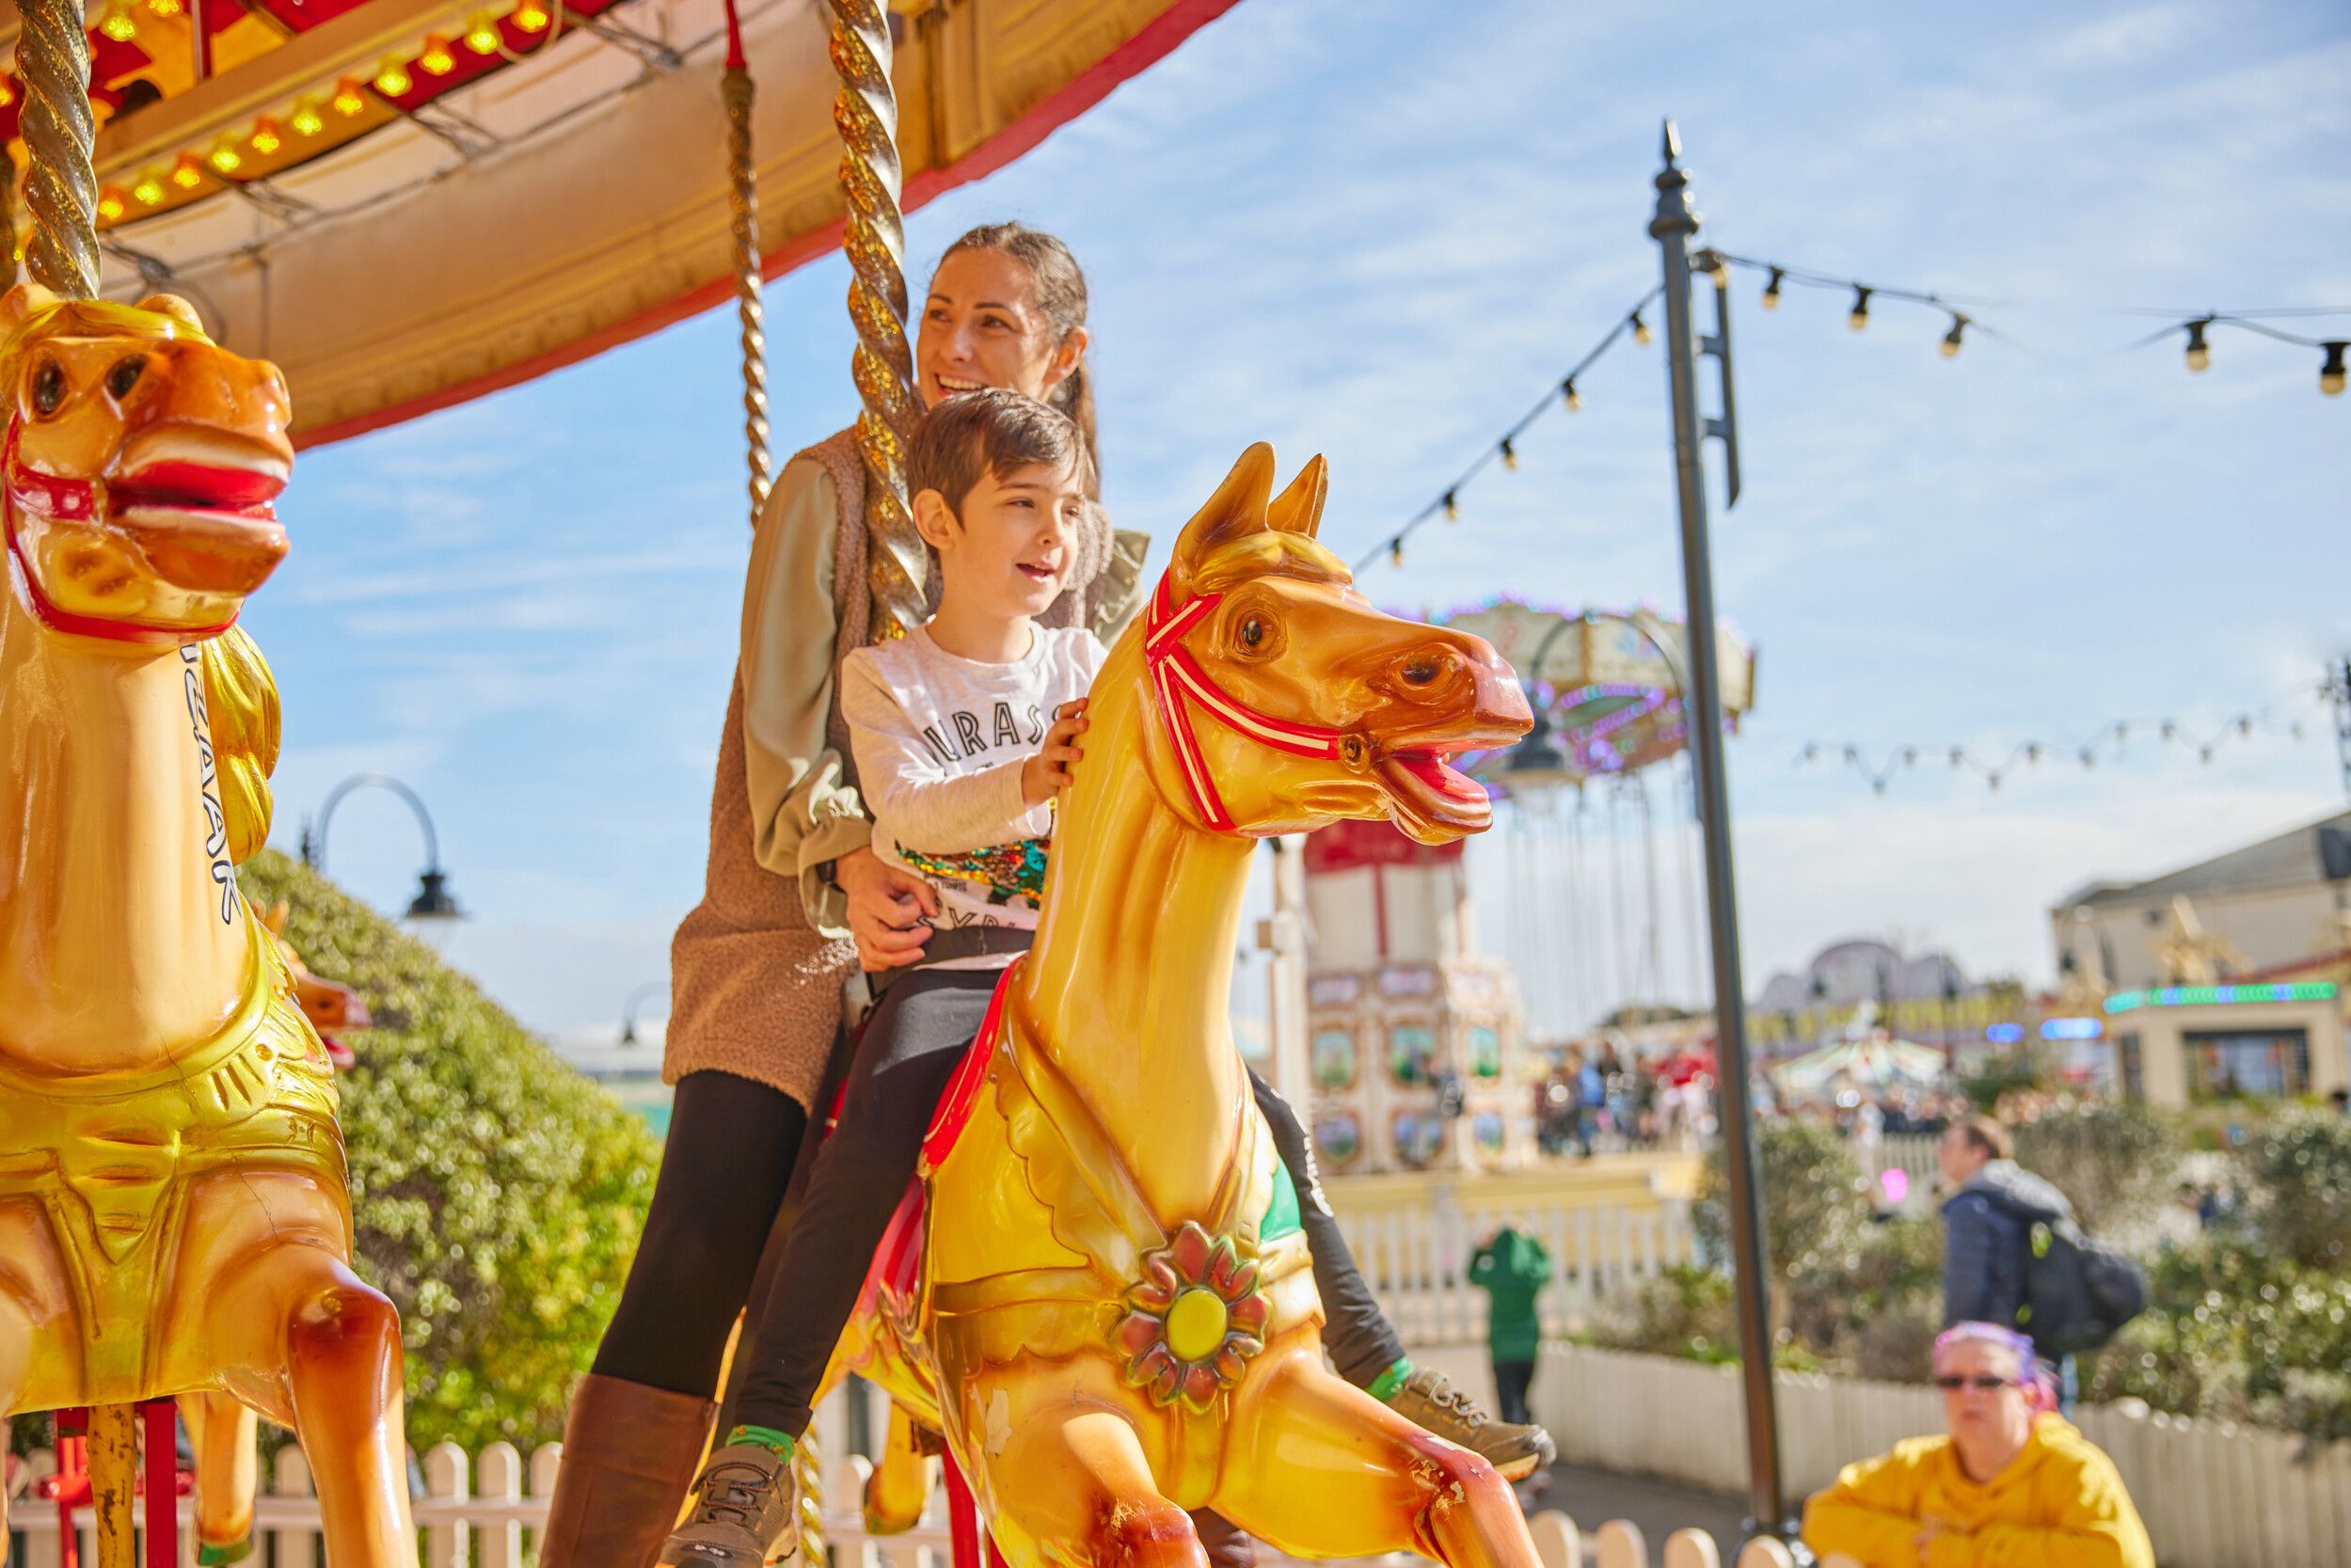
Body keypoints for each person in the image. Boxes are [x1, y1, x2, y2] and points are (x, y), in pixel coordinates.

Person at [537, 223, 1549, 1566]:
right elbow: (795, 759)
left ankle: (1358, 1365)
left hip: (1054, 948)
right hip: (817, 917)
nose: (950, 347)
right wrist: (866, 853)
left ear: (1064, 357)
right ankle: (748, 1451)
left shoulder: (1088, 557)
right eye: (937, 316)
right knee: (734, 1205)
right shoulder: (836, 501)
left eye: (992, 326)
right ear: (944, 521)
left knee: (1256, 1120)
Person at [1801, 1323, 2153, 1568]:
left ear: (2028, 1395)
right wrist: (1918, 1547)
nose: (1968, 1395)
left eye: (1988, 1381)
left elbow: (2115, 1558)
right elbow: (1822, 1517)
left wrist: (1956, 1552)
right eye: (1953, 1381)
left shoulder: (2075, 1469)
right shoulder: (1917, 1462)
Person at [1936, 1116, 2079, 1407]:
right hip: (2048, 1343)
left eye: (1950, 1144)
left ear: (1978, 1154)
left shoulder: (1972, 1207)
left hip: (1998, 1359)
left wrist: (1954, 1349)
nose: (1940, 1152)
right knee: (2052, 1442)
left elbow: (1965, 1288)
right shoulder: (2030, 1195)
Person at [1469, 1226, 1549, 1428]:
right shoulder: (1528, 1274)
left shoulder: (1494, 1273)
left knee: (1509, 1401)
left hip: (1502, 1347)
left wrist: (1482, 1249)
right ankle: (1528, 1437)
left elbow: (1471, 1274)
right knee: (1522, 1398)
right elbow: (1547, 1265)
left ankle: (1518, 1442)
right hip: (1528, 1345)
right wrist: (1532, 1242)